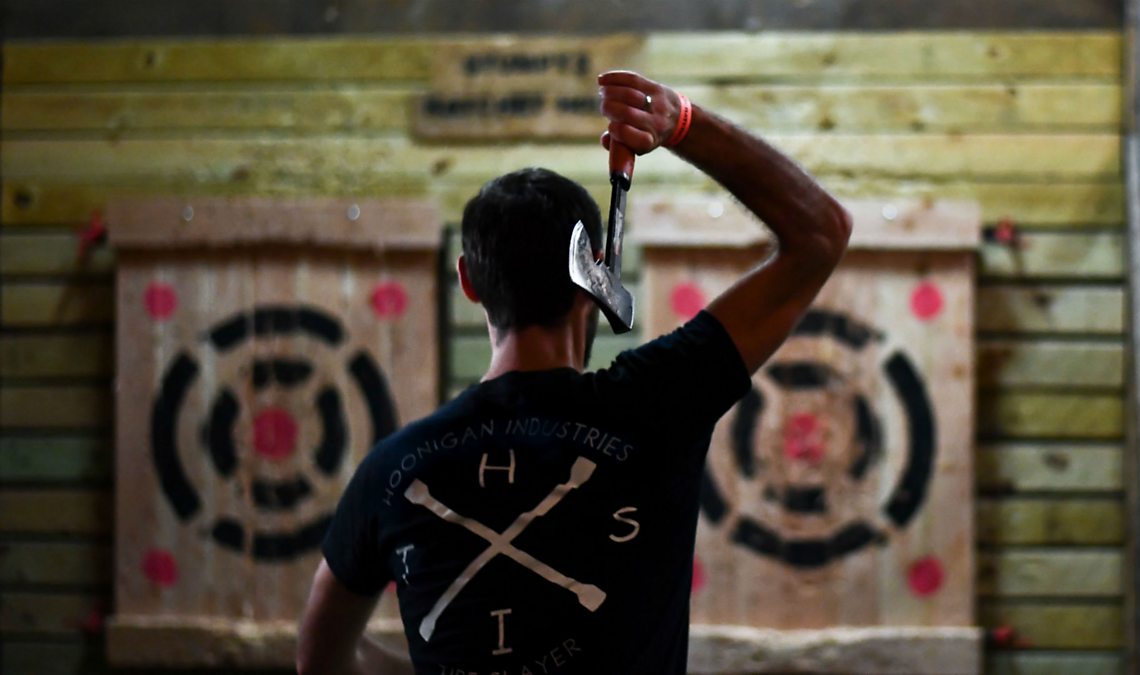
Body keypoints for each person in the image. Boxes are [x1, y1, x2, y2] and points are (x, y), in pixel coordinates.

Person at [297, 69, 851, 675]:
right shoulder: (655, 404)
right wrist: (681, 124)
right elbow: (820, 234)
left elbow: (319, 653)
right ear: (596, 274)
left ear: (469, 282)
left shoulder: (396, 468)